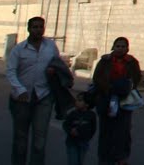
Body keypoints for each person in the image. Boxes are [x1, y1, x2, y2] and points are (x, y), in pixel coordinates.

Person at [5, 15, 62, 165]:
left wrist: (53, 70)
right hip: (21, 100)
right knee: (20, 140)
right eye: (35, 27)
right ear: (29, 29)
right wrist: (20, 89)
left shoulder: (50, 46)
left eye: (40, 27)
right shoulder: (19, 49)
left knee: (40, 141)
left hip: (43, 97)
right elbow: (11, 71)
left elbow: (58, 64)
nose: (38, 30)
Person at [90, 38, 141, 165]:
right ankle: (104, 158)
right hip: (106, 97)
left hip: (124, 99)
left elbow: (136, 77)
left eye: (123, 46)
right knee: (106, 131)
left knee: (123, 131)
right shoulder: (105, 61)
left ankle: (121, 157)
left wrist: (126, 87)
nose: (120, 49)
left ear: (127, 48)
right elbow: (97, 77)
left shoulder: (132, 62)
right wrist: (109, 88)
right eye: (118, 46)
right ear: (113, 47)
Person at [59, 88, 98, 165]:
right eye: (76, 100)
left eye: (80, 100)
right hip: (72, 142)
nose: (76, 102)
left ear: (87, 104)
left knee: (80, 161)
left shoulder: (91, 115)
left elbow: (93, 128)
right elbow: (65, 124)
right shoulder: (73, 113)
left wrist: (87, 137)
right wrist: (70, 130)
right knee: (73, 161)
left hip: (83, 143)